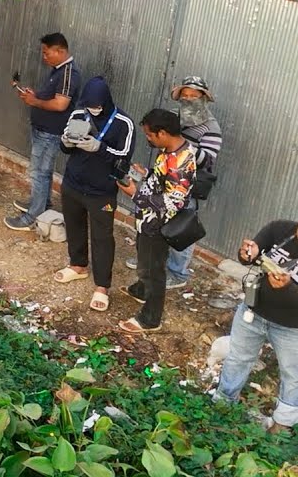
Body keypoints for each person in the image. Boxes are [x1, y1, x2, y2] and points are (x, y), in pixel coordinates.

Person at [125, 76, 223, 287]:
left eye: (193, 96)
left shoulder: (211, 126)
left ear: (203, 98)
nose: (188, 99)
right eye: (184, 95)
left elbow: (208, 160)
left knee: (182, 223)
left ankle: (178, 273)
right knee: (157, 218)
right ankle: (150, 260)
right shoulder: (176, 116)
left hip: (189, 182)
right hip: (165, 175)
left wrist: (181, 145)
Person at [54, 77, 135, 313]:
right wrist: (66, 141)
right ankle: (77, 265)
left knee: (102, 237)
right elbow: (64, 147)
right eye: (90, 104)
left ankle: (102, 286)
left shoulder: (123, 123)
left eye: (97, 105)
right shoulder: (79, 114)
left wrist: (100, 148)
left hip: (101, 191)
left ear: (106, 101)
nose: (93, 109)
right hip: (73, 182)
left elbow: (123, 158)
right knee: (74, 225)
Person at [118, 109, 196, 334]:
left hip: (160, 225)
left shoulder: (182, 163)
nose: (148, 139)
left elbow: (174, 202)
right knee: (145, 260)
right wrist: (148, 174)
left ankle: (150, 319)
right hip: (148, 220)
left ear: (162, 133)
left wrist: (135, 193)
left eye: (150, 135)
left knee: (154, 270)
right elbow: (165, 178)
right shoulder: (170, 150)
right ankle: (141, 290)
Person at [215, 220, 297, 434]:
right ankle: (221, 406)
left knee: (293, 375)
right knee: (238, 358)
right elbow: (250, 254)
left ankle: (281, 427)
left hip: (292, 327)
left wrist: (287, 288)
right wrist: (246, 253)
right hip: (253, 311)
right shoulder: (280, 230)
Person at [6, 33, 82, 231]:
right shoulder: (57, 71)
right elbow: (52, 97)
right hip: (43, 130)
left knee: (39, 172)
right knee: (43, 172)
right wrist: (36, 95)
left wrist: (35, 102)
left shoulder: (68, 74)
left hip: (51, 133)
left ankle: (33, 216)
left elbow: (60, 104)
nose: (44, 57)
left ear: (60, 51)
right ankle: (41, 204)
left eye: (47, 53)